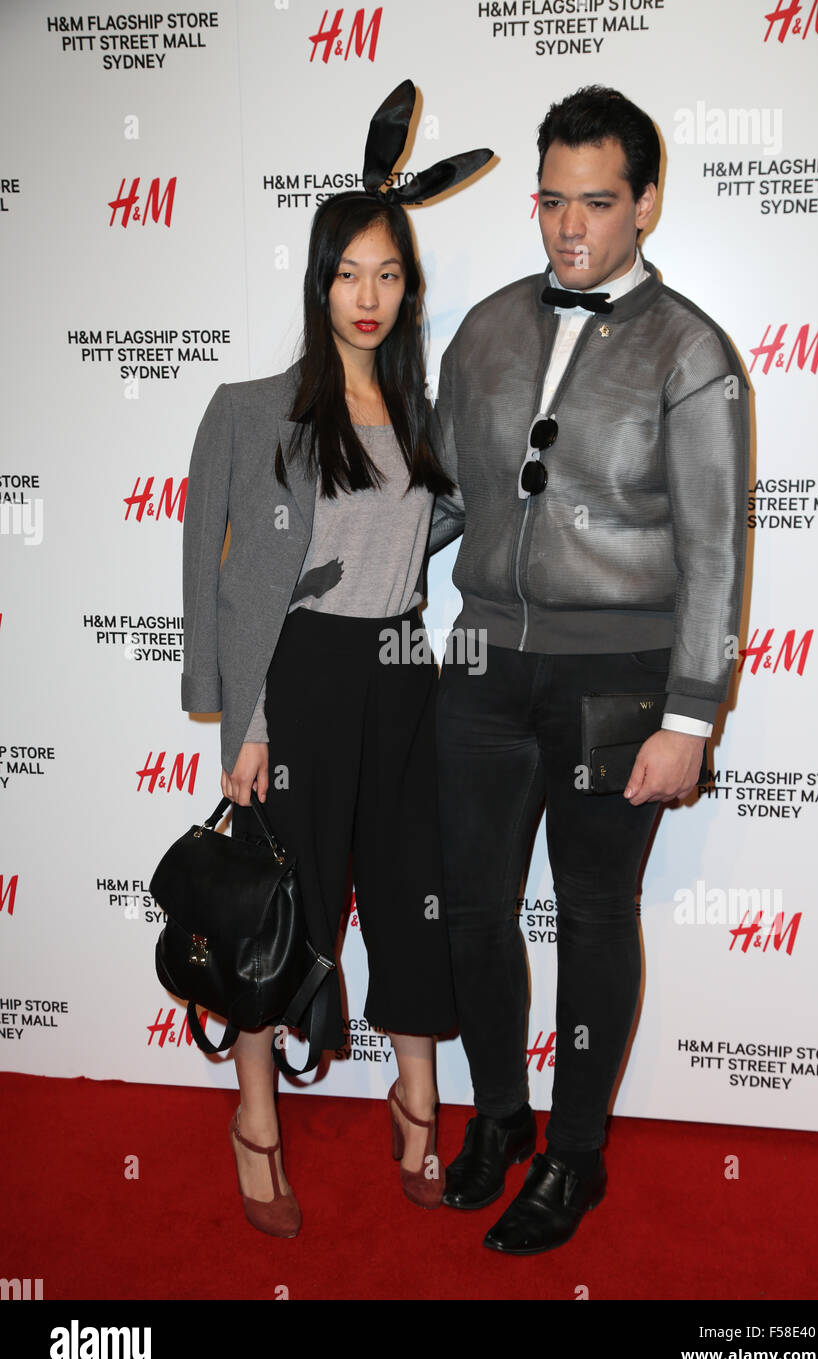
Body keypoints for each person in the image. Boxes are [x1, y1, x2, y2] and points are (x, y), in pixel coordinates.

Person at [429, 84, 750, 1255]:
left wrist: (690, 716)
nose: (570, 228)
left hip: (616, 681)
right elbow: (446, 498)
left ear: (646, 205)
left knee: (592, 916)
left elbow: (715, 550)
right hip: (478, 667)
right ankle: (499, 1119)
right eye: (552, 201)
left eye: (598, 203)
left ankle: (573, 1154)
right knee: (470, 914)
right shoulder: (487, 329)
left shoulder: (692, 350)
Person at [180, 81, 492, 1238]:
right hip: (301, 678)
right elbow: (219, 578)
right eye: (346, 274)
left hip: (405, 670)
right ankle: (254, 1114)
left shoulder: (424, 418)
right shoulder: (255, 411)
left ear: (408, 290)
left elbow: (442, 531)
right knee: (284, 908)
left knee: (412, 897)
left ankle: (417, 1097)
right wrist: (242, 720)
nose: (367, 297)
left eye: (388, 275)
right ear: (317, 283)